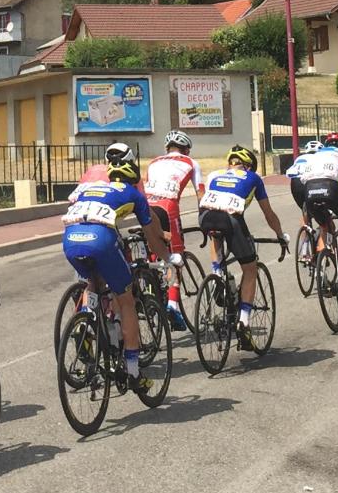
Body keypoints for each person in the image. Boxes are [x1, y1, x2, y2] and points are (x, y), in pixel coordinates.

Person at [62, 160, 169, 390]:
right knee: (126, 299)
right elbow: (152, 237)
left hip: (70, 239)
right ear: (134, 180)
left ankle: (85, 319)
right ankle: (133, 371)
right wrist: (168, 258)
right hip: (101, 240)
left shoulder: (92, 188)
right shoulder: (134, 194)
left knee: (94, 280)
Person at [195, 147, 287, 343]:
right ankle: (243, 322)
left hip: (205, 217)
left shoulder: (215, 174)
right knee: (250, 269)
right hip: (231, 219)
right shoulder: (254, 178)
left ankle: (217, 273)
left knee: (215, 234)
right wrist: (280, 235)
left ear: (230, 163)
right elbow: (268, 214)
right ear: (249, 166)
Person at [143, 131, 203, 329]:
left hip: (147, 207)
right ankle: (172, 306)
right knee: (175, 257)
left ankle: (150, 294)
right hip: (168, 207)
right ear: (186, 150)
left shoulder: (153, 162)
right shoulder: (191, 162)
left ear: (166, 148)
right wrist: (204, 218)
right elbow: (200, 194)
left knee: (153, 251)